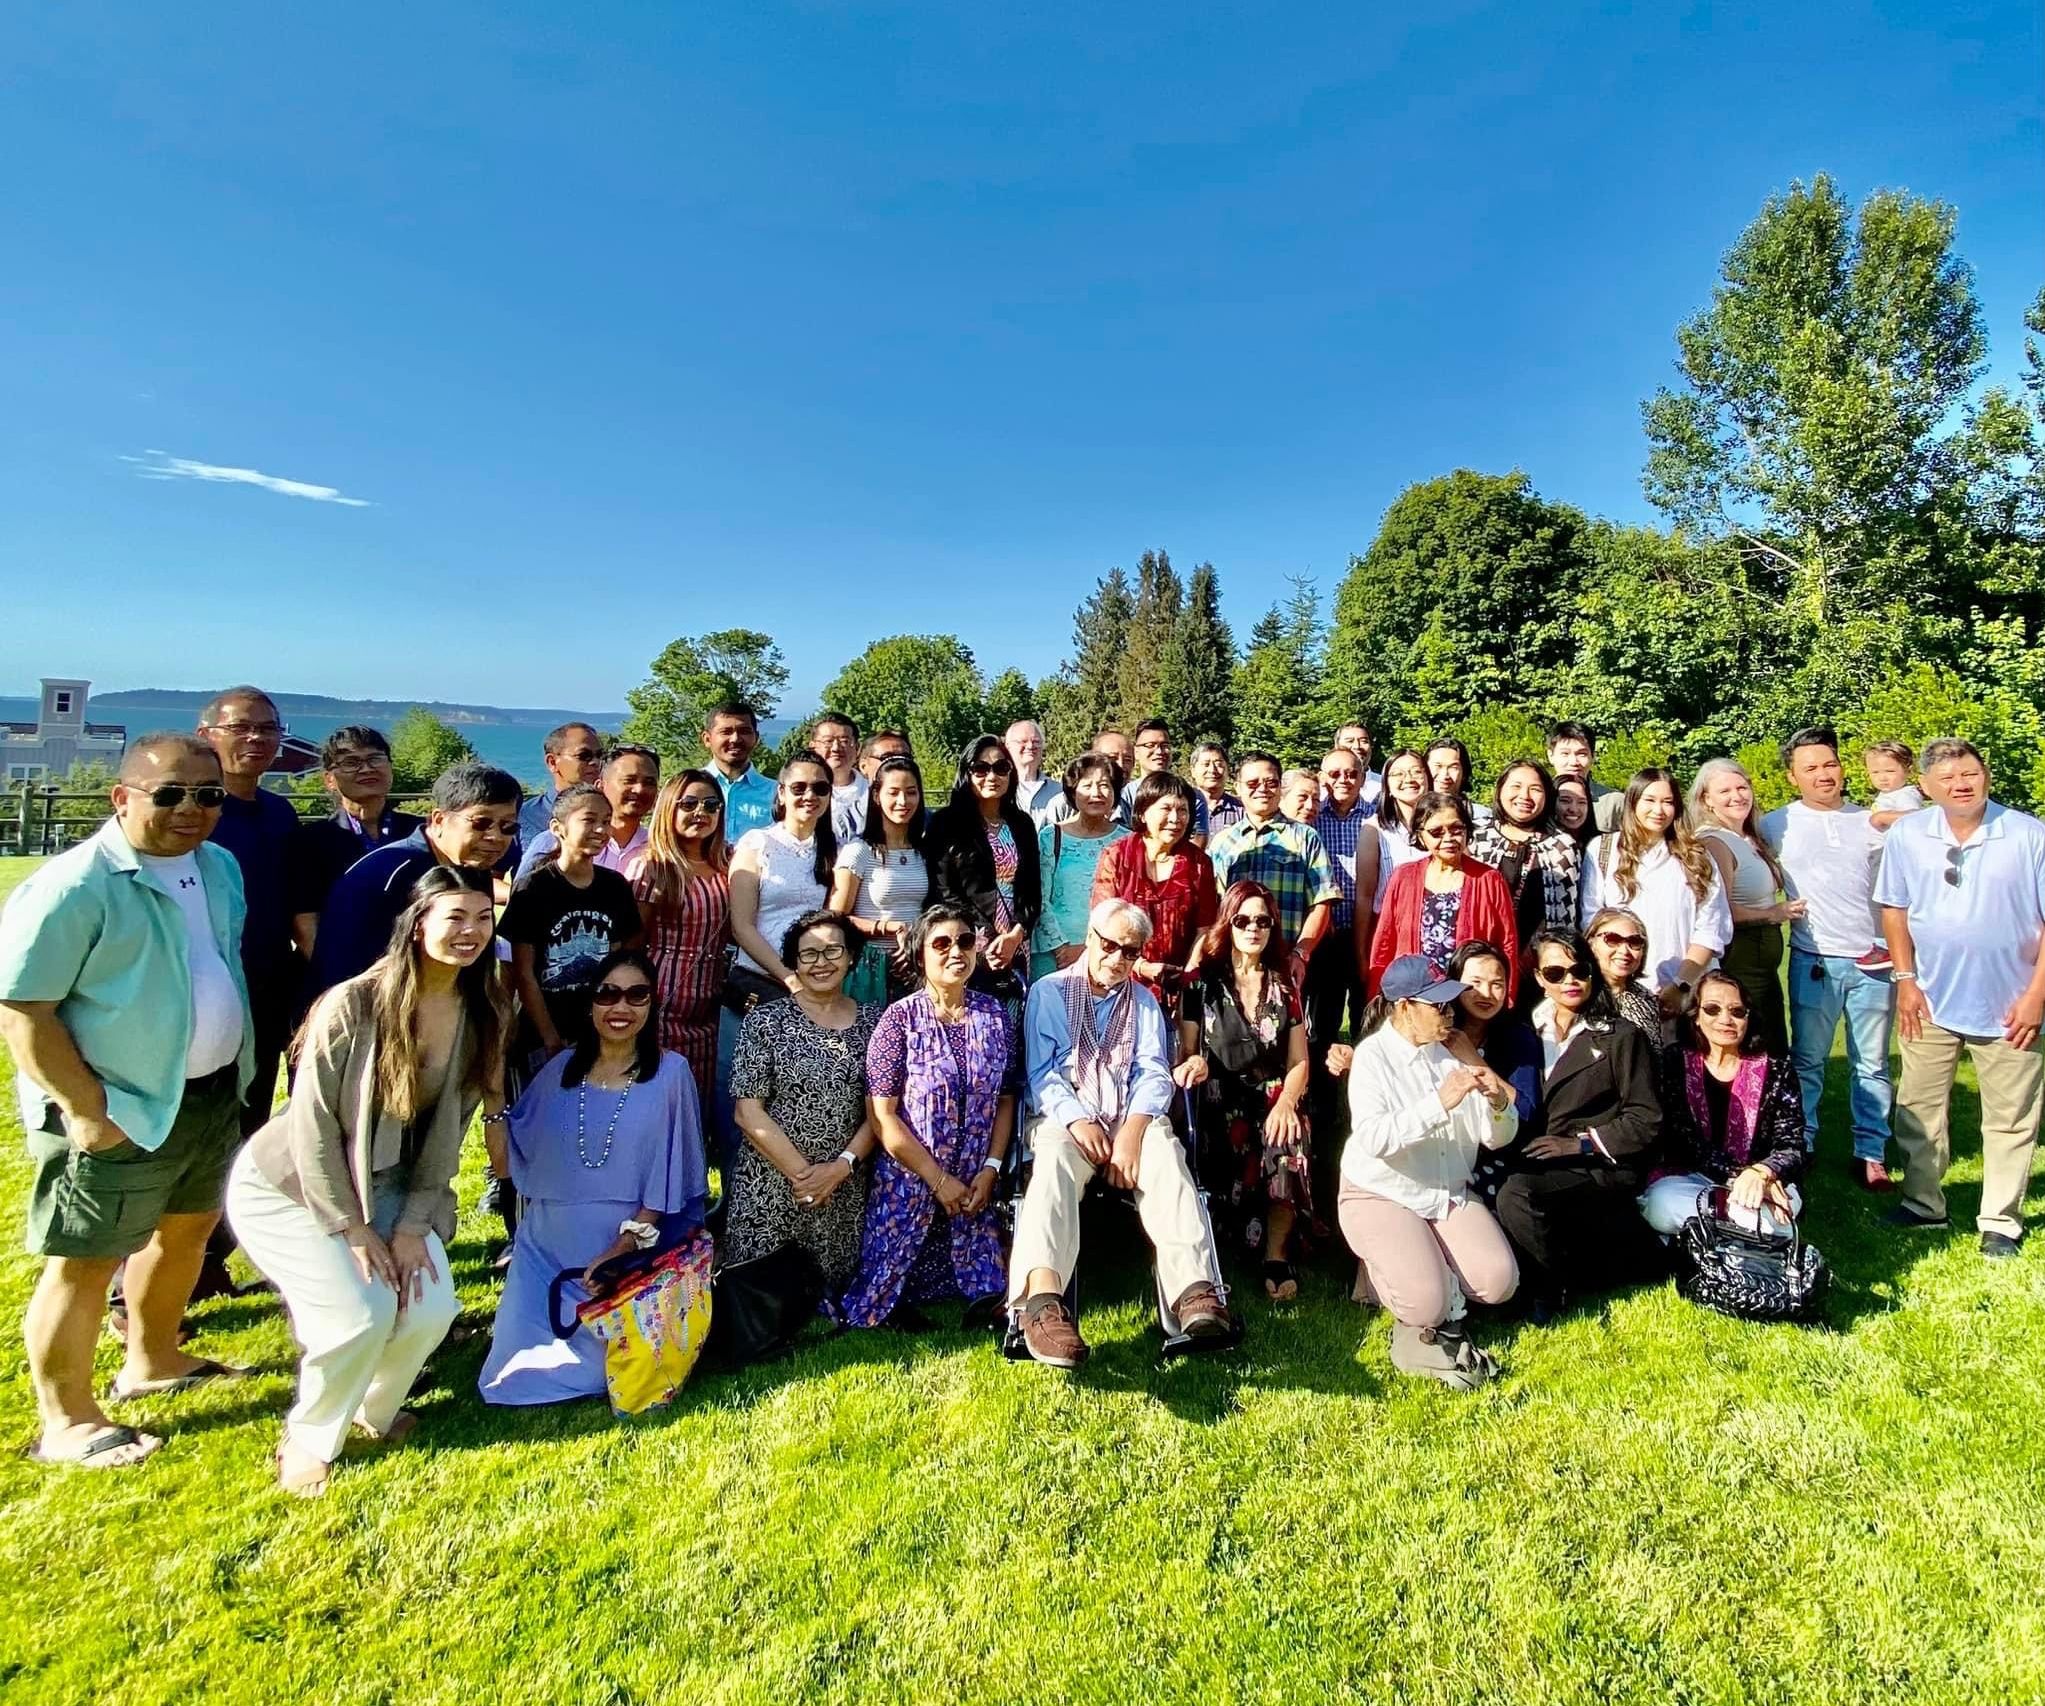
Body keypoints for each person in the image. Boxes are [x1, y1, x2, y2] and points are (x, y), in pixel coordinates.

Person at [0, 735, 255, 1469]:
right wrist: (85, 1110)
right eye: (170, 793)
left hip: (205, 1096)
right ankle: (68, 1418)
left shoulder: (218, 867)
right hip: (117, 1108)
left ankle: (153, 1360)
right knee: (86, 1258)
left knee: (185, 1232)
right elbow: (24, 1009)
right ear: (123, 797)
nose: (191, 810)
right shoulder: (75, 885)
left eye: (207, 795)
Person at [226, 867, 506, 1494]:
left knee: (431, 1309)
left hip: (395, 1187)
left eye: (483, 918)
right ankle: (310, 1436)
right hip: (296, 1189)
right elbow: (314, 1128)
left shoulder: (482, 1006)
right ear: (417, 925)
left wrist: (410, 1227)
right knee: (361, 1314)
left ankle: (372, 1409)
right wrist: (352, 1230)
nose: (471, 932)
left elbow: (450, 1130)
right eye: (454, 918)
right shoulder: (352, 1004)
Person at [478, 949, 708, 1406]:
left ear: (651, 1005)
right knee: (510, 1378)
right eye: (608, 995)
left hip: (618, 1256)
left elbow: (667, 1191)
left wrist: (618, 1253)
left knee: (598, 1372)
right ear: (590, 1004)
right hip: (543, 1255)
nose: (621, 1008)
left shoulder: (671, 1074)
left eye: (636, 996)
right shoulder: (559, 1071)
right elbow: (506, 1164)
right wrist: (491, 1096)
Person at [1008, 900, 1232, 1367]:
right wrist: (1077, 1119)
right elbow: (1042, 1074)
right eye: (1108, 946)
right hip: (1067, 1119)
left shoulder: (1145, 1002)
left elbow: (1153, 1073)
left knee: (1166, 1153)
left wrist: (1131, 1133)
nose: (1117, 959)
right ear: (1090, 938)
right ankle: (1042, 1304)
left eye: (1129, 952)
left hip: (1128, 1118)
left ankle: (1194, 1293)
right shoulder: (1048, 992)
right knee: (1050, 1162)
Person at [1874, 739, 2045, 1256]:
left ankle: (2000, 1222)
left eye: (1970, 773)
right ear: (1925, 787)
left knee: (2010, 1115)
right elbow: (1895, 908)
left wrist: (2036, 997)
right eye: (1947, 778)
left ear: (1985, 774)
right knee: (1919, 1107)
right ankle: (1923, 1204)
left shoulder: (2027, 834)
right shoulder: (1908, 833)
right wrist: (1905, 980)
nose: (1961, 784)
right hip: (1929, 999)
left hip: (2011, 1003)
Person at [1339, 954, 1518, 1389]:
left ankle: (1421, 1257)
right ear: (1404, 1008)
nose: (1449, 1013)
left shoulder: (1454, 1051)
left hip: (1446, 1191)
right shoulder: (1372, 1057)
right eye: (1437, 1006)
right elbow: (1376, 1139)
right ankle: (1383, 1273)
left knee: (1499, 1283)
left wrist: (1497, 1104)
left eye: (1450, 1002)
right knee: (1426, 1306)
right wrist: (1439, 1104)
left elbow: (1497, 1137)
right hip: (1381, 1191)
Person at [840, 906, 1018, 1327]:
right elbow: (883, 1117)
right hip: (910, 1177)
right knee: (882, 1288)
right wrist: (938, 1180)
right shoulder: (897, 1020)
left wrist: (991, 1168)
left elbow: (1007, 1097)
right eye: (942, 944)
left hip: (975, 1178)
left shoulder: (995, 1015)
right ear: (920, 956)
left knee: (990, 1286)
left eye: (965, 941)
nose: (956, 952)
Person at [1491, 928, 1664, 1312]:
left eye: (1579, 970)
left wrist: (1581, 1142)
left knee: (1517, 1193)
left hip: (1598, 1161)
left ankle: (1550, 1287)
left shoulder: (1621, 1036)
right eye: (1555, 973)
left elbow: (1646, 1118)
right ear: (1538, 977)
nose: (1569, 980)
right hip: (1535, 1155)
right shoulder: (1524, 1033)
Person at [1760, 727, 1896, 1191]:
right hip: (1813, 959)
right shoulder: (1776, 824)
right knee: (1809, 1060)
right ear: (1793, 776)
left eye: (1830, 764)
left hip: (1873, 961)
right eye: (1811, 768)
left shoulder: (1872, 821)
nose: (1823, 775)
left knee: (1872, 1062)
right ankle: (1805, 1142)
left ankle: (1871, 1151)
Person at [727, 912, 880, 1294]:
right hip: (775, 1183)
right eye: (808, 954)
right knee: (766, 1291)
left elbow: (881, 1112)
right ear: (794, 962)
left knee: (831, 1287)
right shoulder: (766, 1020)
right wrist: (806, 1176)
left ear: (850, 958)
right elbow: (747, 1112)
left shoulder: (875, 1024)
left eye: (832, 951)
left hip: (844, 1183)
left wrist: (837, 1171)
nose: (821, 962)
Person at [1175, 882, 1313, 1299]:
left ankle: (1275, 1254)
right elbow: (1187, 1049)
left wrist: (1288, 1100)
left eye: (1262, 921)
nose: (1253, 928)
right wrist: (1193, 1061)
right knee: (1225, 1135)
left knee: (1289, 1135)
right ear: (1228, 922)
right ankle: (1228, 1236)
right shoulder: (1202, 982)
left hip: (1273, 1094)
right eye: (1242, 920)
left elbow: (1299, 1061)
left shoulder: (1285, 982)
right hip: (1219, 1094)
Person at [306, 761, 523, 1001]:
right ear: (439, 820)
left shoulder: (474, 869)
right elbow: (342, 972)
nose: (495, 836)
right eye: (481, 823)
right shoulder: (385, 874)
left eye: (508, 826)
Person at [720, 752, 839, 1156]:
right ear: (782, 793)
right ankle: (732, 1209)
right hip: (756, 991)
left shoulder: (835, 850)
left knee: (795, 1111)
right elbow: (742, 926)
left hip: (813, 997)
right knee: (741, 1108)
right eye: (799, 787)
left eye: (820, 788)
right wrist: (789, 977)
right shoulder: (758, 843)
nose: (810, 796)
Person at [197, 686, 302, 1134]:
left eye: (267, 729)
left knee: (252, 1110)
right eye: (241, 727)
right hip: (204, 981)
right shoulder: (192, 812)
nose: (255, 738)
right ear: (207, 735)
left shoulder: (280, 812)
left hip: (270, 981)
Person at [1639, 971, 1804, 1241]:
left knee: (1775, 1224)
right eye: (1712, 1009)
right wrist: (1742, 1176)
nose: (1725, 1020)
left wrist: (1764, 1172)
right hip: (1694, 1178)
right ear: (1695, 1016)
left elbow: (1792, 1143)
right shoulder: (1675, 1063)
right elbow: (1684, 1140)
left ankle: (1709, 1232)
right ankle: (1740, 1232)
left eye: (1737, 1011)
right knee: (1660, 1206)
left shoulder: (1777, 1068)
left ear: (1749, 1018)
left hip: (1761, 1181)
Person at [500, 784, 643, 1071]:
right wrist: (550, 1038)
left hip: (599, 1027)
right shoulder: (534, 888)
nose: (601, 830)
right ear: (558, 828)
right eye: (589, 820)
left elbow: (622, 955)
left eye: (606, 821)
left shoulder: (614, 886)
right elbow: (523, 973)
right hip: (541, 1031)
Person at [1578, 768, 1732, 1021]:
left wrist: (1680, 985)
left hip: (1687, 992)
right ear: (1633, 802)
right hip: (1621, 990)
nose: (1658, 811)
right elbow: (1591, 921)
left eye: (1667, 802)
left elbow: (1712, 928)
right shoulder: (1603, 850)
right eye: (1649, 800)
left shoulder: (1696, 857)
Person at [633, 771, 731, 1109]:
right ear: (669, 809)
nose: (700, 812)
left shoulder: (728, 863)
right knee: (660, 1101)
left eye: (711, 804)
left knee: (700, 1105)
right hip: (663, 1002)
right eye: (688, 803)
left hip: (712, 1007)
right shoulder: (653, 867)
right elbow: (632, 942)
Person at [1686, 758, 1795, 1056]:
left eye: (1742, 787)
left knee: (1772, 1044)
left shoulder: (1748, 837)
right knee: (1752, 1045)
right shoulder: (1714, 842)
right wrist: (1773, 913)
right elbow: (1720, 910)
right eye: (1725, 791)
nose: (1737, 796)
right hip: (1742, 957)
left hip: (1763, 964)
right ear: (1706, 800)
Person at [1207, 751, 1341, 986]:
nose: (1263, 789)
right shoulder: (1222, 843)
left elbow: (1322, 902)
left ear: (1280, 787)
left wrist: (1301, 952)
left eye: (1271, 782)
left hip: (1286, 963)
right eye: (1252, 783)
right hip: (1234, 965)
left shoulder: (1305, 837)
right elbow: (1212, 908)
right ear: (1237, 787)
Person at [924, 736, 1042, 999]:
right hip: (963, 940)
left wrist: (1015, 934)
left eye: (1001, 768)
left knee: (1012, 1020)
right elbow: (944, 889)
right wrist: (983, 937)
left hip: (1015, 940)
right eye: (981, 768)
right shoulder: (946, 824)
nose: (992, 776)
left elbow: (1032, 886)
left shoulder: (1021, 823)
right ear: (967, 772)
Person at [1367, 793, 1519, 996]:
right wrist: (1377, 994)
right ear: (1420, 835)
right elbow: (1385, 941)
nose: (1448, 838)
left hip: (1470, 994)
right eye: (1436, 832)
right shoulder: (1404, 876)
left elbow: (1507, 942)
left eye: (1456, 829)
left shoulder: (1489, 879)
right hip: (1415, 995)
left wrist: (1506, 996)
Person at [289, 726, 422, 956]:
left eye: (375, 759)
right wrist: (339, 978)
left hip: (410, 969)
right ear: (329, 779)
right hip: (339, 974)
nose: (367, 769)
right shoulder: (310, 841)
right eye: (351, 763)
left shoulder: (419, 832)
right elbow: (305, 923)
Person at [1090, 771, 1217, 1010]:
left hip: (1180, 984)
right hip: (1120, 977)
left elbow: (1205, 928)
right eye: (1166, 808)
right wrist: (1140, 966)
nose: (1176, 818)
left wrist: (1189, 975)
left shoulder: (1199, 863)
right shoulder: (1117, 856)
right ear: (1144, 812)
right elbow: (1102, 924)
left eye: (1183, 810)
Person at [1469, 760, 1581, 993]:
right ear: (1500, 790)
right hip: (1479, 961)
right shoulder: (1476, 835)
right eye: (1516, 786)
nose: (1525, 796)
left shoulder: (1563, 846)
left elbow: (1567, 919)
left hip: (1537, 968)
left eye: (1535, 789)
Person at [1453, 940, 1545, 1215]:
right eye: (1475, 982)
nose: (1486, 993)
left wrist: (1474, 1060)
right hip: (1443, 1149)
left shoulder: (1518, 1037)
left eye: (1497, 984)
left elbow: (1528, 1111)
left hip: (1496, 1152)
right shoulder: (1439, 1030)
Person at [828, 754, 929, 1002]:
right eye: (893, 792)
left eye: (911, 792)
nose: (903, 801)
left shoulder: (924, 851)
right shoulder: (859, 851)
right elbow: (835, 917)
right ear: (877, 796)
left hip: (916, 965)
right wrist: (887, 928)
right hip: (870, 967)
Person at [1031, 753, 1131, 981]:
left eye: (1104, 785)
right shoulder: (1050, 837)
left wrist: (1097, 949)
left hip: (1110, 955)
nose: (1096, 793)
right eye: (1087, 785)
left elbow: (1129, 902)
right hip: (1054, 956)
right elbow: (1040, 898)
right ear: (1072, 791)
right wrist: (1061, 948)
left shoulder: (1129, 841)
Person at [1311, 745, 1382, 1051]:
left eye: (1352, 774)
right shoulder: (1312, 816)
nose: (1344, 780)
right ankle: (1322, 1088)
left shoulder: (1377, 818)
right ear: (1322, 776)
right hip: (1325, 933)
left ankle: (1363, 1080)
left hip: (1366, 930)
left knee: (1365, 1014)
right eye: (1335, 773)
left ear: (1364, 777)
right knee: (1323, 1016)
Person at [514, 743, 660, 882]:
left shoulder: (660, 848)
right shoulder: (557, 840)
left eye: (649, 782)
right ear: (600, 786)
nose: (640, 789)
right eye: (629, 780)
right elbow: (522, 896)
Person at [516, 722, 605, 849]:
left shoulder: (610, 815)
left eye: (600, 755)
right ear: (552, 762)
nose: (595, 762)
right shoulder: (524, 818)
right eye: (584, 756)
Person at [703, 701, 778, 846]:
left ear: (756, 738)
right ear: (707, 739)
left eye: (744, 731)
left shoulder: (777, 793)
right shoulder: (686, 789)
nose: (735, 739)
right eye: (726, 732)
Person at [1584, 906, 1664, 1036]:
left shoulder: (1646, 1000)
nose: (1624, 951)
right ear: (1591, 943)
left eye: (1634, 942)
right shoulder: (1577, 994)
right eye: (1613, 940)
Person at [1124, 721, 1211, 838]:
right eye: (1150, 745)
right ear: (1136, 752)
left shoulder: (1193, 796)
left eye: (1165, 746)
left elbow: (1198, 839)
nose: (1159, 752)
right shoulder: (1125, 795)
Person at [1371, 748, 1432, 911]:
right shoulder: (1374, 828)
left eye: (1417, 772)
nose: (1409, 779)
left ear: (1428, 779)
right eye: (1398, 774)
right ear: (1387, 786)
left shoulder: (1445, 822)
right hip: (1390, 923)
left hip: (1438, 921)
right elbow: (1365, 895)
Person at [1547, 722, 1625, 833]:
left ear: (1593, 756)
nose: (1574, 762)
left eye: (1582, 754)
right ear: (1550, 756)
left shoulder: (1613, 803)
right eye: (1565, 753)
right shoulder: (1539, 798)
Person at [809, 710, 868, 840]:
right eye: (828, 741)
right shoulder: (802, 794)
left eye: (844, 741)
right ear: (813, 747)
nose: (836, 748)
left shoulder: (873, 793)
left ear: (857, 747)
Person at [1006, 720, 1064, 821]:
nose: (1030, 746)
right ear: (1008, 746)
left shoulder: (1059, 791)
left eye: (1036, 741)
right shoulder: (999, 789)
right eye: (1023, 741)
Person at [1422, 738, 1490, 823]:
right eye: (1438, 766)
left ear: (1464, 773)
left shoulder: (1483, 818)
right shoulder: (1409, 816)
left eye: (1453, 767)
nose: (1445, 775)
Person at [1865, 740, 1927, 831]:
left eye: (1890, 771)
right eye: (1875, 772)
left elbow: (1914, 817)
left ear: (1908, 771)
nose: (1882, 778)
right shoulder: (1888, 793)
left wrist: (1882, 817)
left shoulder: (1906, 794)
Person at [1189, 742, 1245, 832]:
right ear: (1193, 771)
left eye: (1219, 764)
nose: (1212, 770)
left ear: (1228, 770)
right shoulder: (1184, 807)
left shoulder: (1242, 810)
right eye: (1206, 764)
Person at [1332, 722, 1384, 806]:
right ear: (1336, 746)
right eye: (1350, 741)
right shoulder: (1322, 787)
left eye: (1364, 741)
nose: (1357, 746)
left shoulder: (1385, 785)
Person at [1553, 776, 1597, 847]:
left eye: (1581, 802)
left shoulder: (1600, 844)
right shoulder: (1538, 845)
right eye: (1565, 801)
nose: (1574, 809)